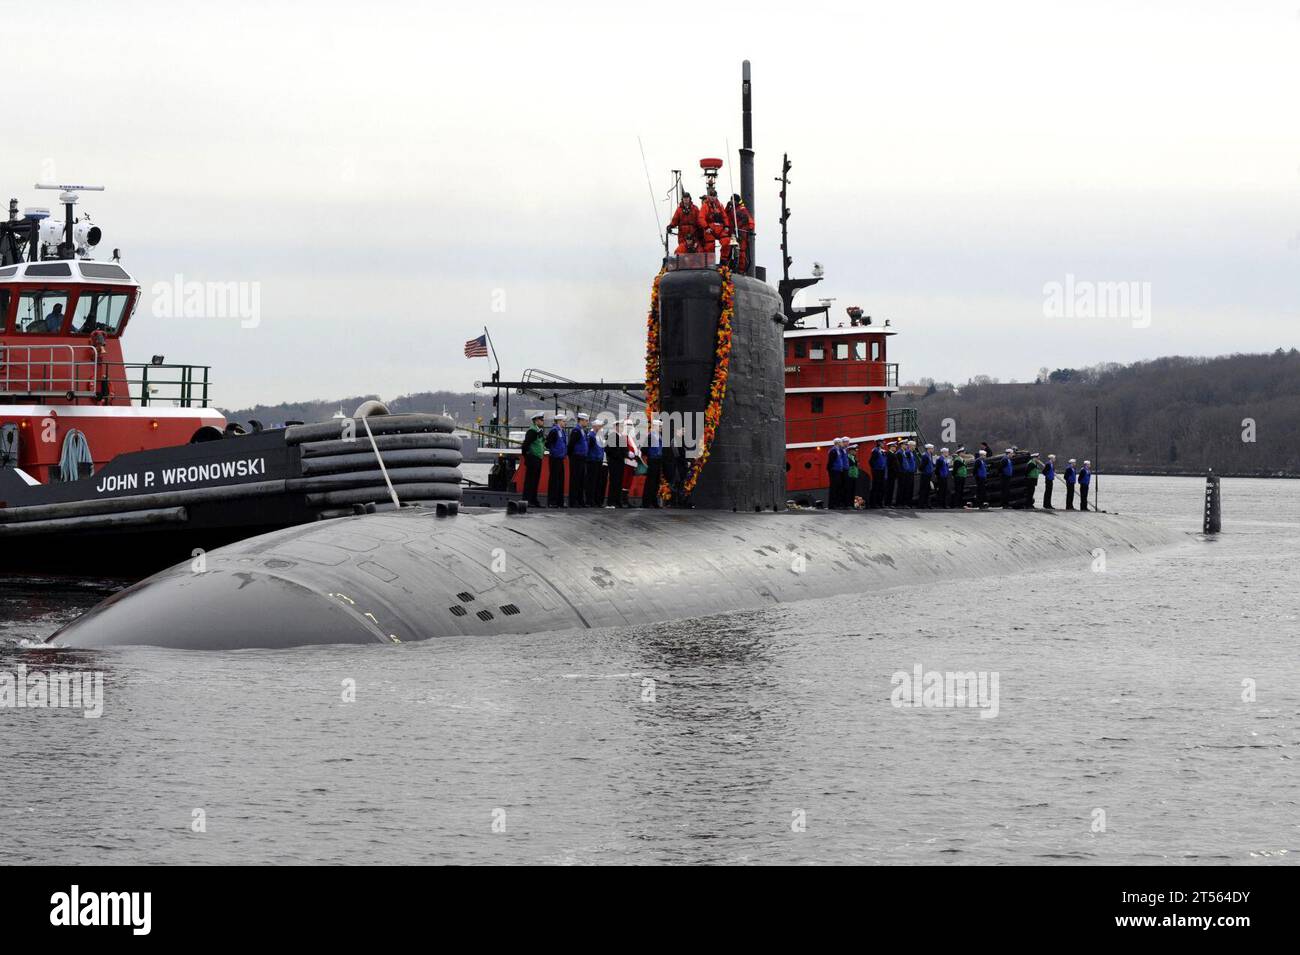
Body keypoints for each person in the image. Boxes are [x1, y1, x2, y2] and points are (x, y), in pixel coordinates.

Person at [697, 182, 731, 265]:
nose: (712, 198)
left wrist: (726, 226)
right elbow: (701, 218)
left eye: (714, 196)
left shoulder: (719, 205)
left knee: (726, 241)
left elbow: (724, 216)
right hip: (710, 228)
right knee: (710, 244)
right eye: (711, 196)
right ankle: (710, 263)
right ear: (709, 197)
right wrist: (706, 227)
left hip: (720, 227)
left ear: (716, 197)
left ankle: (723, 261)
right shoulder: (705, 206)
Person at [544, 412, 568, 507]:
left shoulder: (561, 431)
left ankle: (559, 501)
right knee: (554, 480)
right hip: (555, 458)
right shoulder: (554, 431)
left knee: (560, 480)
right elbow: (548, 443)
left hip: (560, 458)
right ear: (558, 421)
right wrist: (554, 451)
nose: (565, 423)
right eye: (563, 421)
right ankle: (552, 501)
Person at [521, 412, 545, 507]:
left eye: (543, 419)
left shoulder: (539, 431)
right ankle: (527, 500)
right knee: (530, 480)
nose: (543, 421)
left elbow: (541, 443)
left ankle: (534, 500)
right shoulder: (532, 431)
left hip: (538, 458)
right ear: (536, 421)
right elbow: (525, 445)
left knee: (535, 480)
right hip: (533, 458)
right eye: (541, 419)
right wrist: (528, 457)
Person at [725, 194, 753, 271]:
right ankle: (729, 266)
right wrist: (727, 207)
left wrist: (750, 229)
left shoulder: (742, 209)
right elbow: (725, 216)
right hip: (733, 234)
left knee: (741, 251)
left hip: (741, 234)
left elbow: (750, 220)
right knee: (730, 250)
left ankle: (741, 269)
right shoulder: (731, 210)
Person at [605, 419, 628, 507]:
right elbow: (608, 450)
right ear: (616, 427)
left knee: (619, 482)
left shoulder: (620, 436)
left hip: (620, 462)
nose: (622, 428)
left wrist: (627, 453)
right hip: (614, 462)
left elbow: (624, 449)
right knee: (614, 482)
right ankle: (611, 502)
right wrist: (620, 455)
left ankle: (617, 501)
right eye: (621, 426)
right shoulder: (612, 436)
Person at [568, 413, 589, 507]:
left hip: (582, 458)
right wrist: (571, 456)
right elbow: (571, 444)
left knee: (581, 480)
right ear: (581, 420)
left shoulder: (582, 430)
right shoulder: (576, 431)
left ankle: (580, 500)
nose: (587, 422)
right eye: (586, 420)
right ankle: (573, 501)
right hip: (576, 458)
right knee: (575, 480)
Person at [642, 416, 664, 508]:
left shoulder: (660, 436)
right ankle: (646, 502)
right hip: (653, 460)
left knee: (656, 482)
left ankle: (654, 501)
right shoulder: (650, 436)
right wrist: (651, 455)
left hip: (658, 460)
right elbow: (644, 448)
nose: (661, 428)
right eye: (659, 426)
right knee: (650, 482)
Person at [586, 419, 608, 506]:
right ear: (594, 426)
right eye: (599, 426)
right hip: (592, 460)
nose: (601, 427)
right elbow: (589, 448)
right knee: (591, 481)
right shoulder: (591, 436)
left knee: (597, 481)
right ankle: (589, 500)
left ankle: (594, 500)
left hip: (598, 460)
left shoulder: (599, 435)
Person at [826, 438, 847, 508]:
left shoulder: (838, 451)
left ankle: (837, 503)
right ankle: (832, 504)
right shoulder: (833, 451)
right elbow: (830, 462)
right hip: (834, 471)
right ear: (837, 443)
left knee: (838, 487)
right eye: (841, 442)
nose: (842, 444)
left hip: (838, 470)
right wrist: (831, 470)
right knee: (834, 488)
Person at [868, 439, 887, 509]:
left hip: (882, 471)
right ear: (879, 443)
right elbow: (871, 461)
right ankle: (873, 503)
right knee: (876, 487)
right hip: (877, 471)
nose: (883, 444)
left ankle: (880, 503)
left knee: (881, 487)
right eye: (882, 443)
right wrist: (875, 469)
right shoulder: (875, 451)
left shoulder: (882, 451)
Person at [898, 440, 917, 507]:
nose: (915, 447)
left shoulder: (912, 453)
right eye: (914, 445)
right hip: (908, 472)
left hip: (911, 472)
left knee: (910, 488)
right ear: (910, 446)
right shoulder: (908, 452)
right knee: (907, 488)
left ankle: (909, 502)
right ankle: (905, 503)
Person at [917, 443, 935, 508]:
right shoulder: (925, 456)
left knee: (928, 490)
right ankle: (921, 504)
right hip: (925, 475)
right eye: (932, 448)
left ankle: (927, 504)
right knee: (923, 489)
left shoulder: (930, 455)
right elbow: (922, 465)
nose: (933, 450)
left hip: (929, 474)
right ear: (929, 449)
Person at [885, 441, 900, 507]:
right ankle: (887, 503)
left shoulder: (894, 454)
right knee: (889, 489)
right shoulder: (888, 454)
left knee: (891, 489)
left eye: (895, 446)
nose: (895, 447)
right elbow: (888, 465)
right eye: (894, 446)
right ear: (890, 447)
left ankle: (889, 503)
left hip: (893, 474)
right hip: (890, 474)